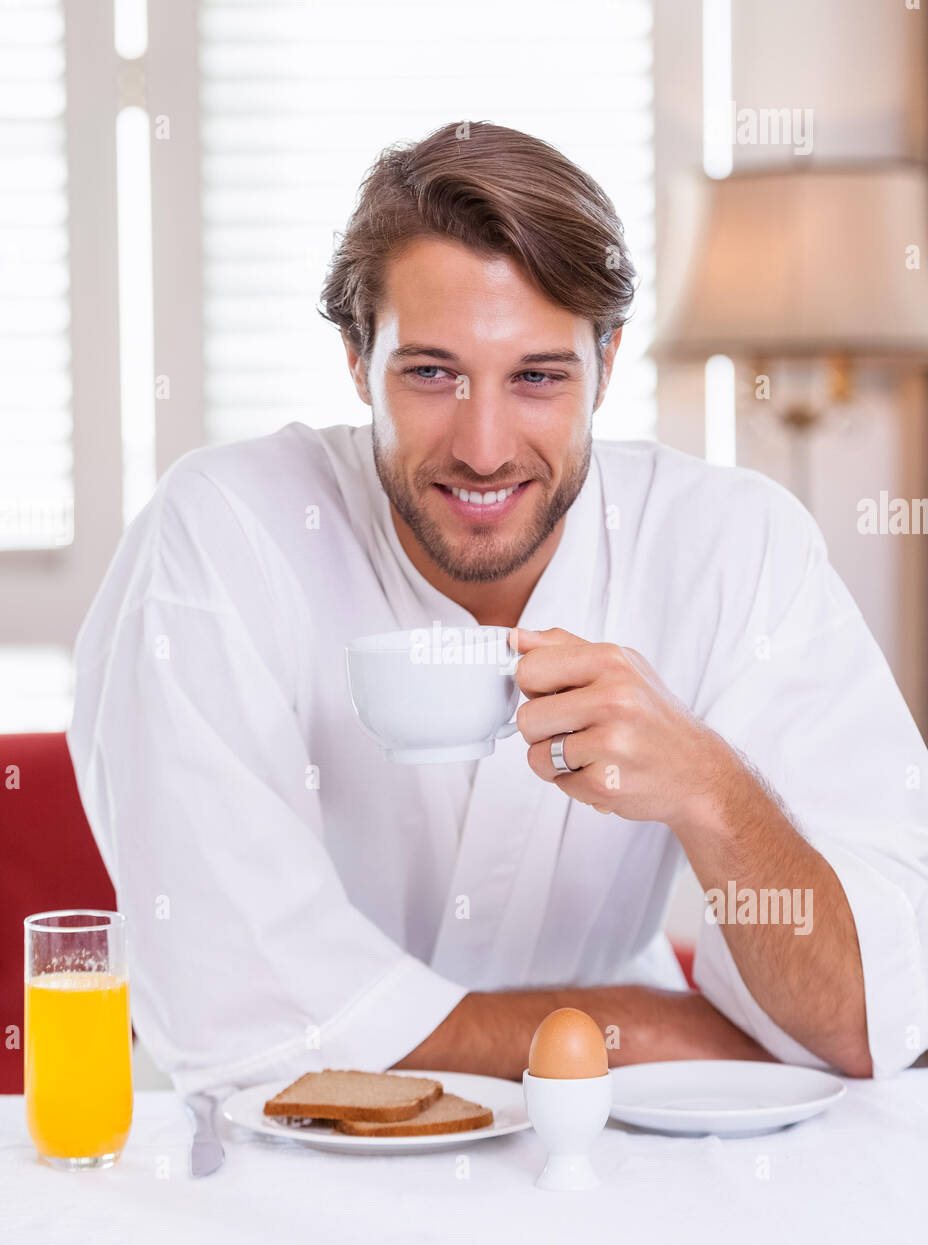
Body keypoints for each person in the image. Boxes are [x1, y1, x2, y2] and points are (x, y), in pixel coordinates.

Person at [67, 121, 928, 1095]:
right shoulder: (222, 533)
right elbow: (239, 1012)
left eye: (537, 377)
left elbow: (863, 1017)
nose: (483, 447)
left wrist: (710, 790)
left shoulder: (734, 544)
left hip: (622, 1154)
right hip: (290, 1158)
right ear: (357, 359)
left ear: (606, 365)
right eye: (431, 372)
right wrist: (636, 1031)